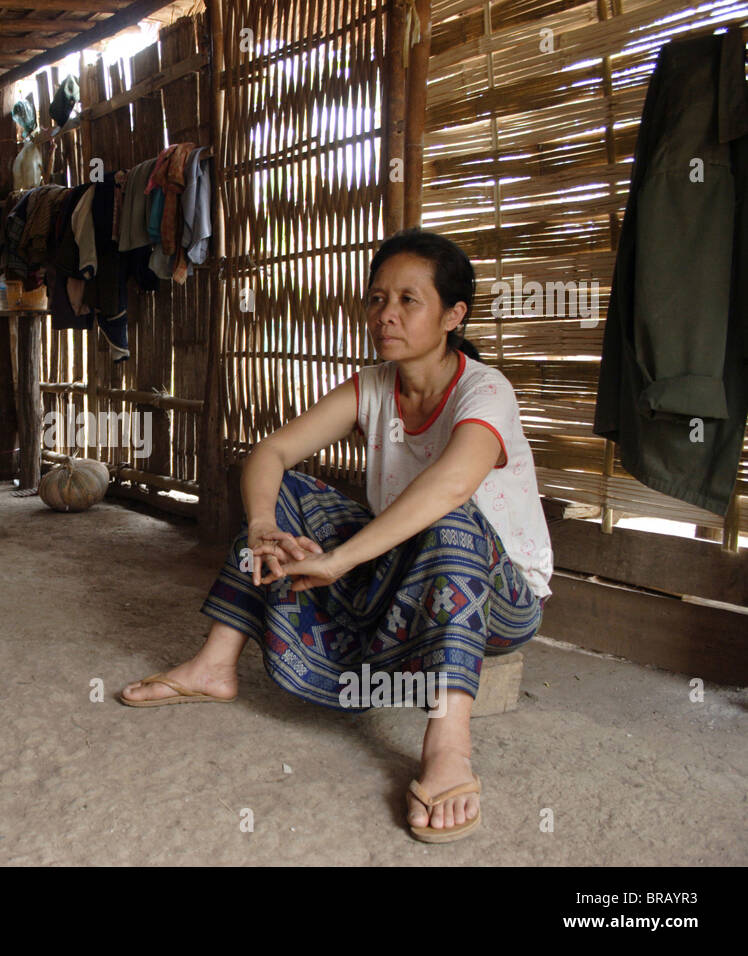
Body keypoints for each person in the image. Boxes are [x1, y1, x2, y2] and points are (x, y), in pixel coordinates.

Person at [118, 229, 553, 843]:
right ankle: (215, 665)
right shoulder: (373, 384)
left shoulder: (486, 390)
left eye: (409, 300)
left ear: (454, 315)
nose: (386, 315)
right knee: (284, 493)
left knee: (449, 521)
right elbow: (272, 451)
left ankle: (449, 741)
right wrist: (266, 524)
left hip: (498, 595)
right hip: (400, 570)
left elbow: (452, 488)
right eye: (377, 299)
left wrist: (342, 560)